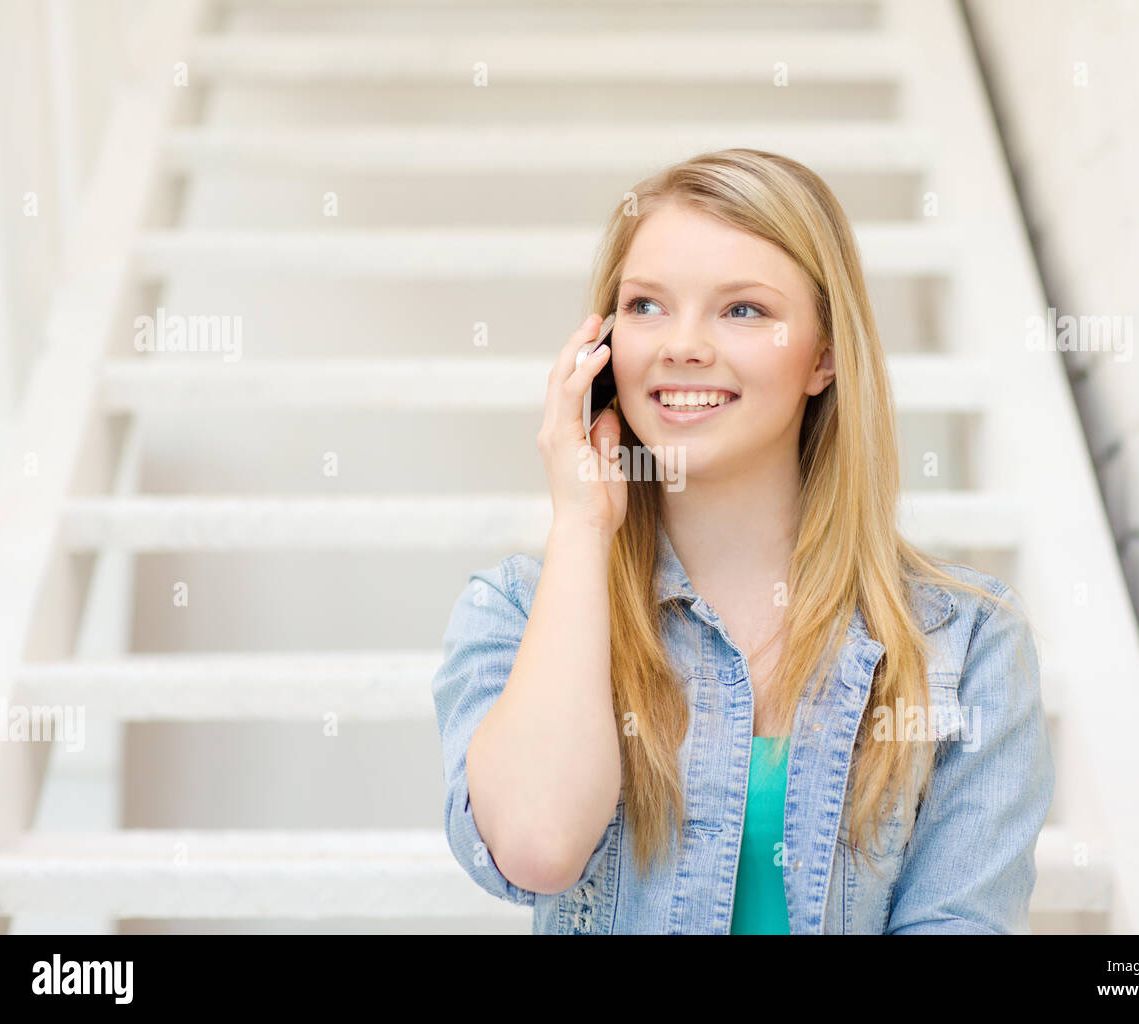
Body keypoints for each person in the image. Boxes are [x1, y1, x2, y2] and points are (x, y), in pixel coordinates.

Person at [432, 148, 1054, 934]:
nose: (681, 345)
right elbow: (538, 848)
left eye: (743, 310)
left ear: (824, 356)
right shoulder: (520, 613)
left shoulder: (967, 645)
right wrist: (584, 526)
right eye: (647, 306)